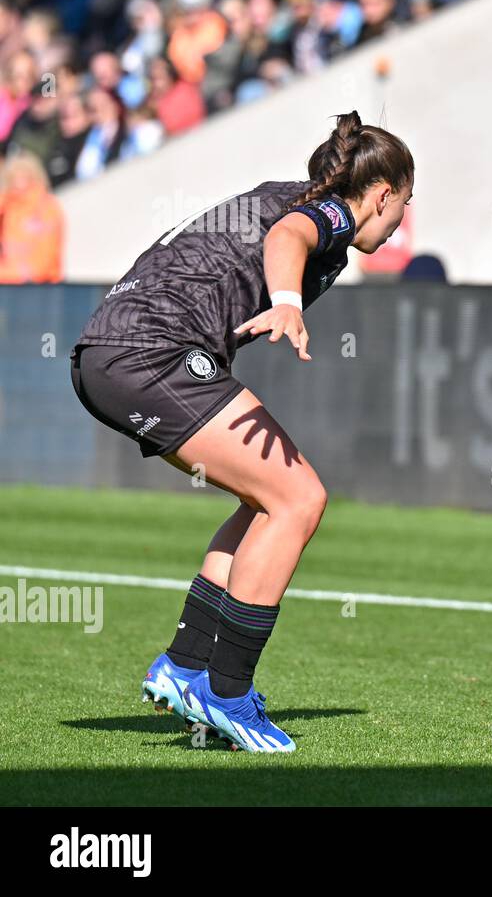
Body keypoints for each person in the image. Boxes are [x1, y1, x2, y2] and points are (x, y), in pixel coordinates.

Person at [68, 111, 415, 753]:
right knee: (299, 499)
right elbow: (288, 236)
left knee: (265, 499)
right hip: (148, 353)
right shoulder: (331, 215)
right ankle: (228, 694)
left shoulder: (298, 197)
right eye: (406, 203)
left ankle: (185, 665)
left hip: (112, 354)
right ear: (384, 194)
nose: (400, 222)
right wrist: (286, 301)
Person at [0, 151, 64, 283]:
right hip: (10, 286)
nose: (18, 182)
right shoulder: (7, 207)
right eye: (13, 177)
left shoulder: (47, 207)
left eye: (24, 176)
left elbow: (42, 265)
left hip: (41, 288)